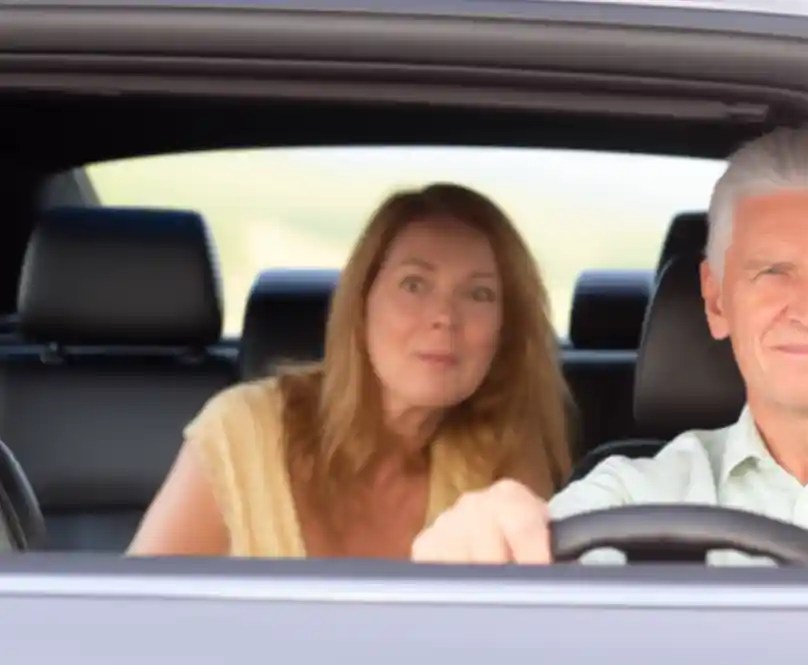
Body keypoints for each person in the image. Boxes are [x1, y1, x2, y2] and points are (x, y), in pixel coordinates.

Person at [410, 127, 808, 567]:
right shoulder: (638, 491)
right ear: (717, 303)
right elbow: (546, 559)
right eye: (772, 272)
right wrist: (483, 546)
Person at [128, 184, 573, 558]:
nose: (445, 317)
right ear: (360, 305)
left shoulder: (501, 453)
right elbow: (129, 623)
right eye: (414, 284)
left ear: (505, 331)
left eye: (478, 294)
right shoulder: (241, 431)